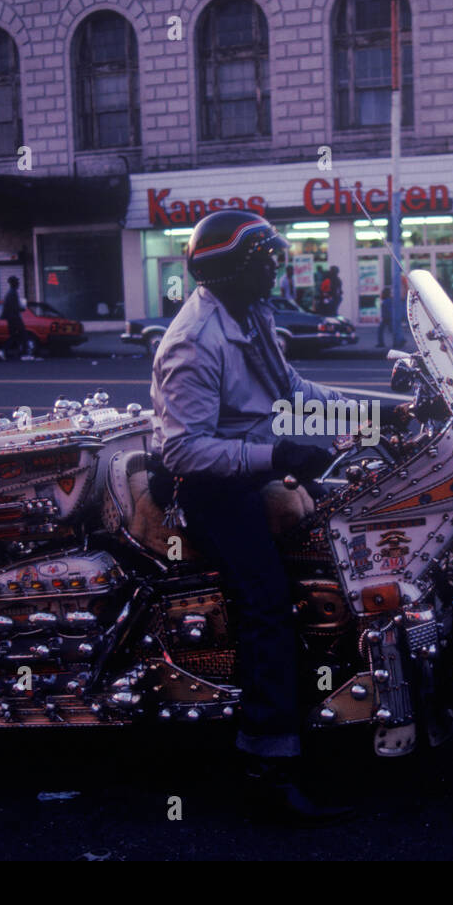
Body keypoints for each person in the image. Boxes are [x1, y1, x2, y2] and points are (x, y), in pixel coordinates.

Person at [150, 209, 356, 822]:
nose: (273, 270)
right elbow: (182, 449)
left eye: (273, 260)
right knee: (269, 602)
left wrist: (374, 414)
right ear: (228, 269)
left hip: (254, 469)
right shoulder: (195, 341)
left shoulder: (248, 314)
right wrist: (277, 453)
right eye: (262, 262)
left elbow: (291, 388)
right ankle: (267, 762)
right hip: (212, 489)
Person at [0, 275, 26, 360]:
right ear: (14, 283)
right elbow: (13, 307)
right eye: (17, 282)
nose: (19, 284)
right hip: (14, 318)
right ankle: (20, 352)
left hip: (12, 318)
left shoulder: (11, 292)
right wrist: (22, 308)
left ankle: (16, 352)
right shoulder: (12, 293)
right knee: (21, 334)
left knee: (15, 336)